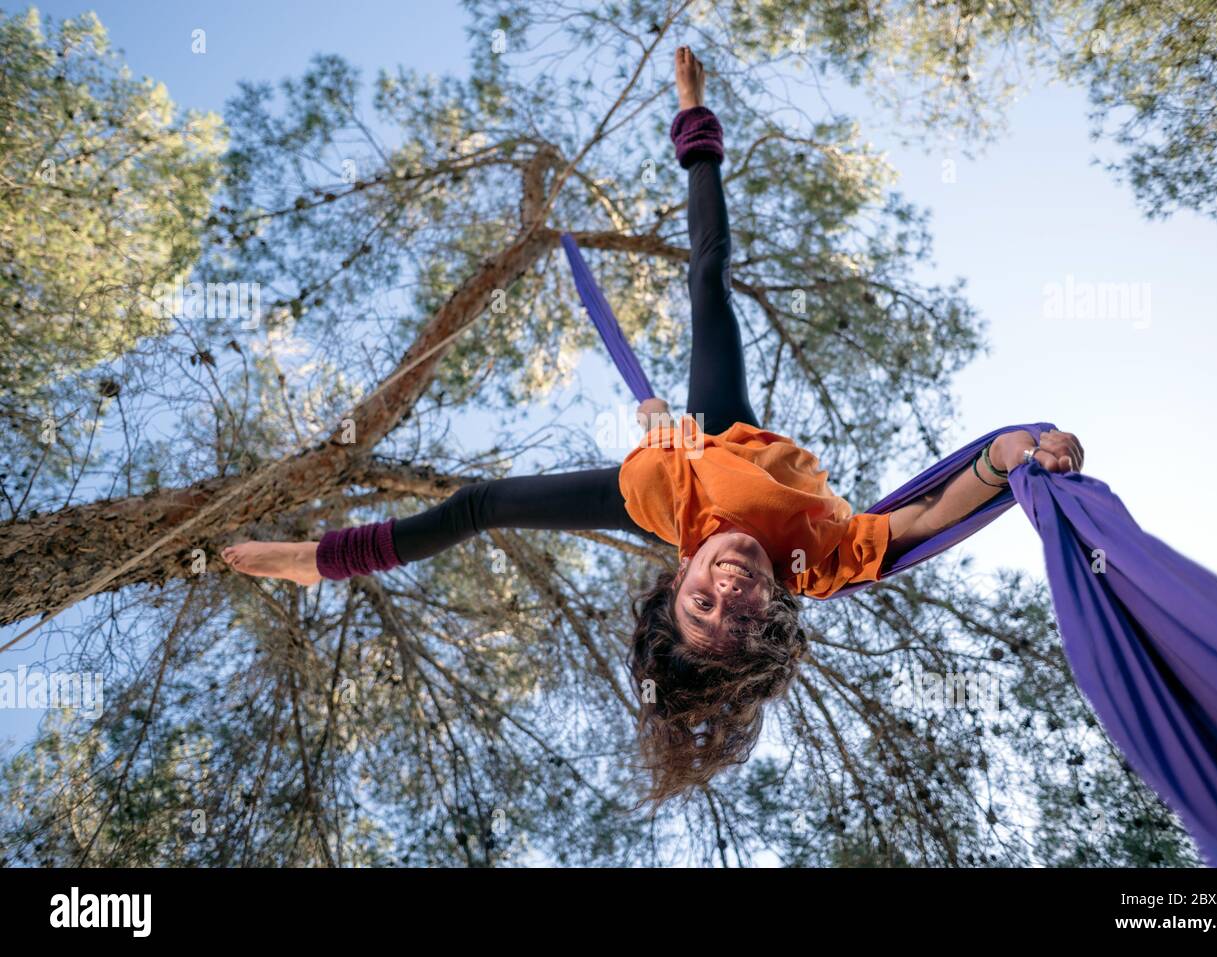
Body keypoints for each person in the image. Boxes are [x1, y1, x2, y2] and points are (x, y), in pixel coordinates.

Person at [224, 46, 1083, 807]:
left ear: (675, 584)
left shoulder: (659, 505)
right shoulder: (814, 563)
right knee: (709, 276)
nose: (729, 588)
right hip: (735, 440)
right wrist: (1007, 459)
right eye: (740, 614)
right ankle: (692, 120)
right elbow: (929, 516)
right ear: (773, 616)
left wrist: (661, 436)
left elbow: (666, 470)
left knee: (483, 501)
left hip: (683, 476)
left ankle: (320, 564)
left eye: (700, 600)